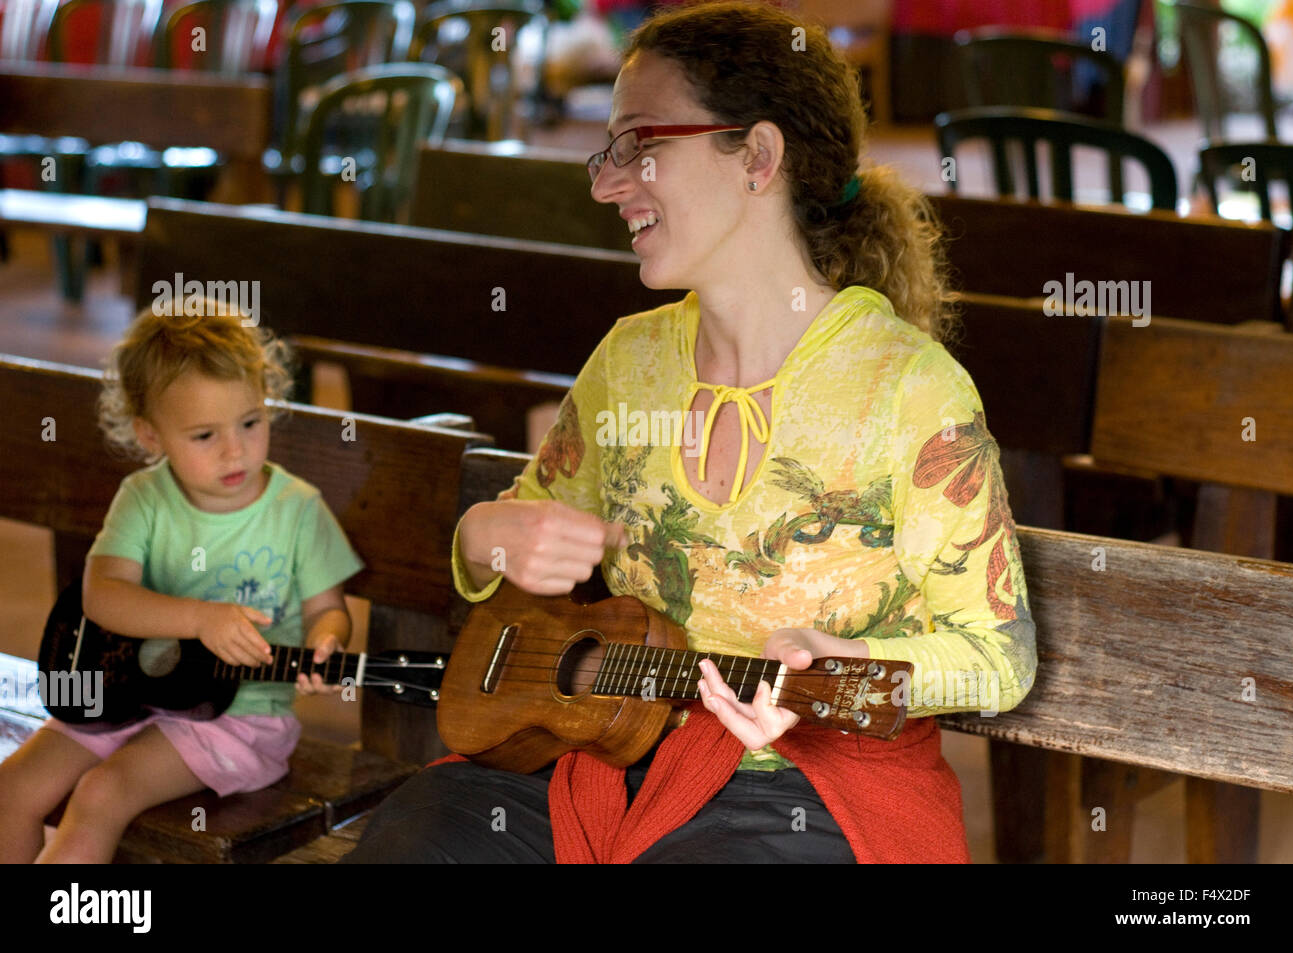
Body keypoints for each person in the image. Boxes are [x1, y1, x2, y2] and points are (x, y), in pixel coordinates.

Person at [344, 0, 1037, 864]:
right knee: (417, 837)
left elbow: (998, 658)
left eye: (641, 146)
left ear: (757, 156)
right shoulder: (628, 360)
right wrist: (484, 537)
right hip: (605, 758)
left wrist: (843, 663)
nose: (606, 182)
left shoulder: (906, 387)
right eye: (609, 151)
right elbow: (517, 557)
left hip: (810, 789)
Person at [0, 299, 364, 863]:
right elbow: (102, 595)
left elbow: (327, 608)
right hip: (122, 691)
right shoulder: (144, 499)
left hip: (238, 719)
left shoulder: (296, 509)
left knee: (102, 791)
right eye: (204, 435)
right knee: (12, 787)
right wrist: (199, 618)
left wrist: (327, 641)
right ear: (151, 436)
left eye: (250, 421)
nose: (235, 449)